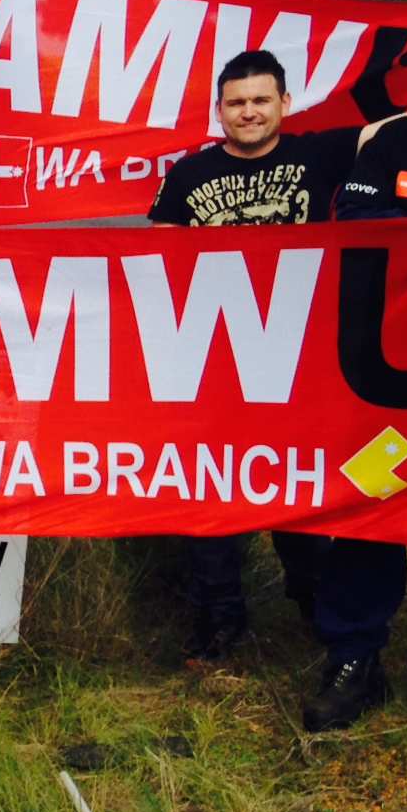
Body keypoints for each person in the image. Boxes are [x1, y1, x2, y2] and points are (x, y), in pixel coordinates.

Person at [148, 50, 354, 660]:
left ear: (284, 104)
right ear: (219, 111)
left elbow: (390, 128)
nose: (249, 112)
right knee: (210, 491)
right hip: (213, 359)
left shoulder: (319, 154)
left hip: (299, 358)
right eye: (236, 103)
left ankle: (318, 608)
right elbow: (159, 262)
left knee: (300, 484)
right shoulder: (188, 175)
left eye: (261, 100)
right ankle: (220, 619)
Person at [307, 5, 407, 735]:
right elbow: (354, 234)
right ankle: (354, 655)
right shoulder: (395, 144)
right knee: (373, 507)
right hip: (398, 370)